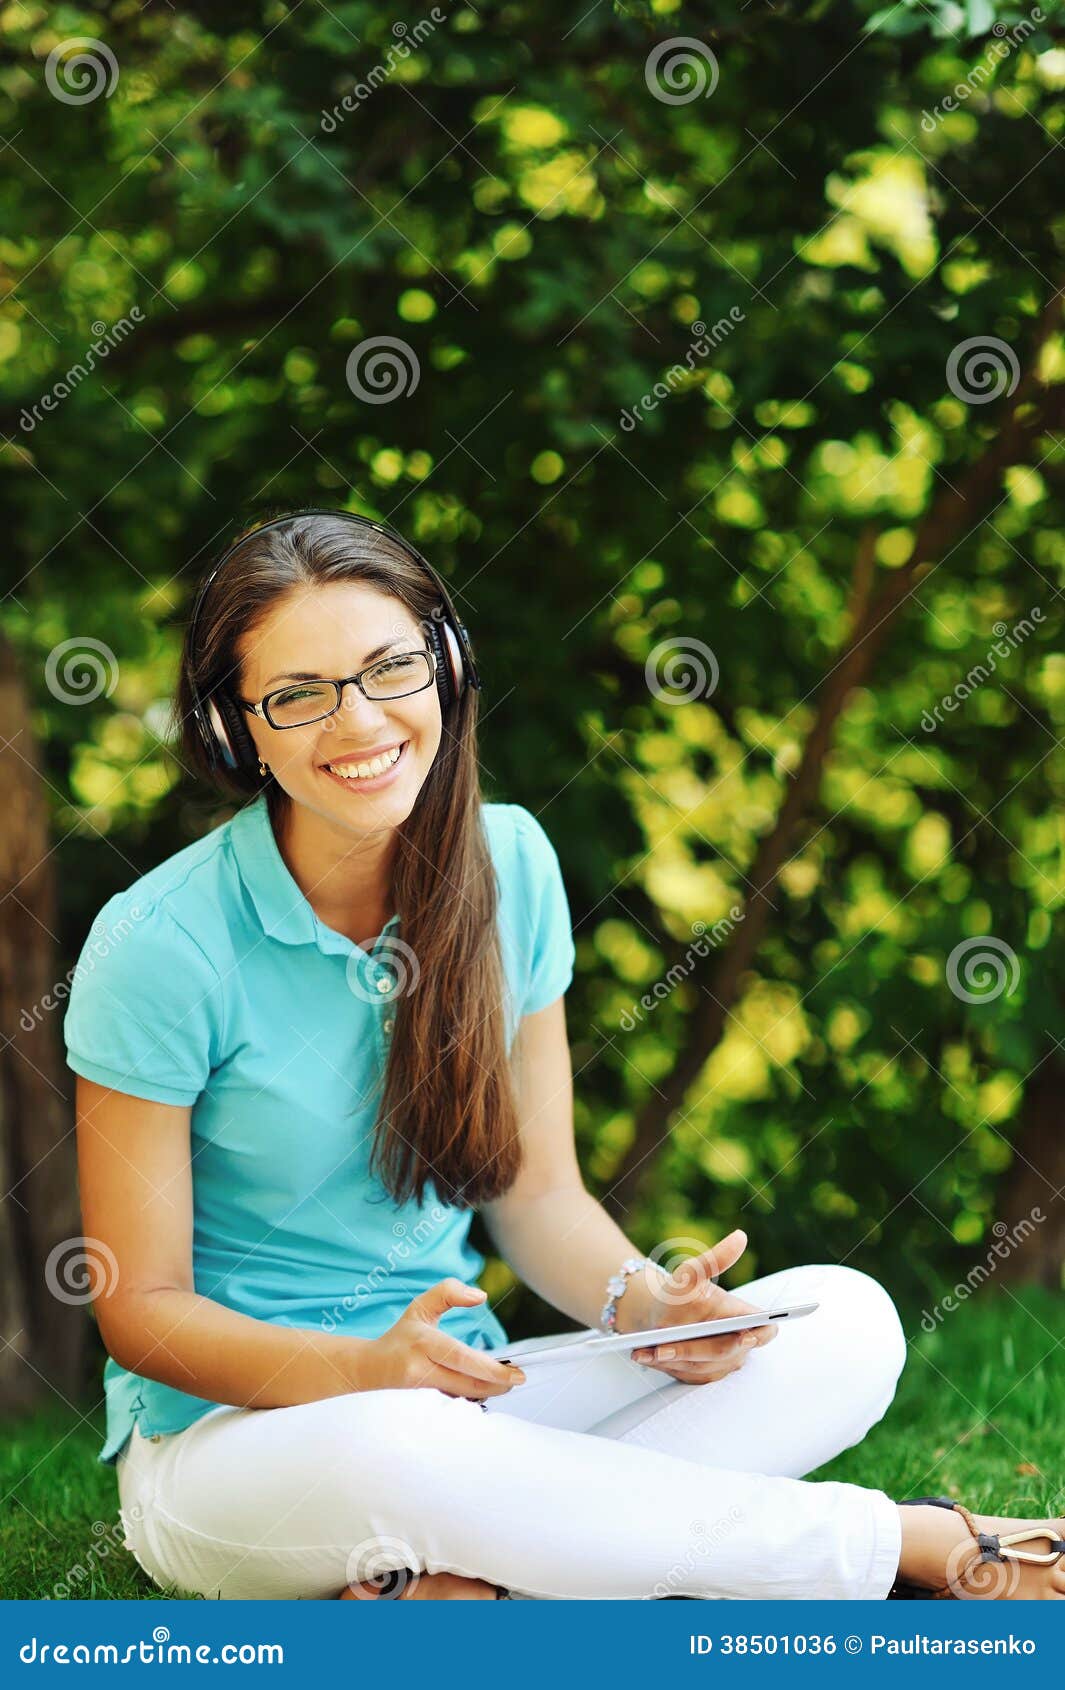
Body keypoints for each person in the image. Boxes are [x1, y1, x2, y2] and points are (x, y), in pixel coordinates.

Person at [64, 510, 1065, 1603]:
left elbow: (536, 1194)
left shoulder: (513, 865)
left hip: (469, 1405)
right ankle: (915, 1545)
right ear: (236, 728)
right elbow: (141, 1305)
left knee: (847, 1324)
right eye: (299, 694)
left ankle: (459, 1580)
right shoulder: (159, 943)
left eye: (390, 667)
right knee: (404, 1447)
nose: (358, 720)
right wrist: (361, 1372)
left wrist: (647, 1308)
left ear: (445, 667)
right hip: (244, 1450)